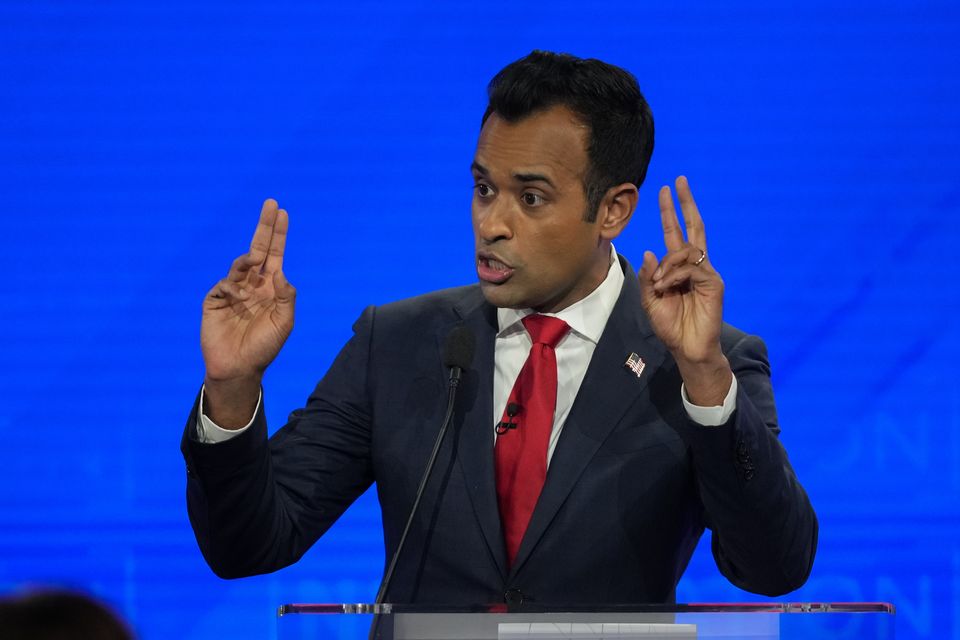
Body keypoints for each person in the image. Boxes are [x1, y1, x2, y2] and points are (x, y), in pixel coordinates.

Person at [181, 50, 817, 605]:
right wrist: (232, 387)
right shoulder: (398, 343)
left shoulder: (703, 362)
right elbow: (250, 545)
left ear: (613, 210)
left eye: (530, 197)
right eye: (484, 189)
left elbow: (773, 568)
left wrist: (703, 377)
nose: (493, 223)